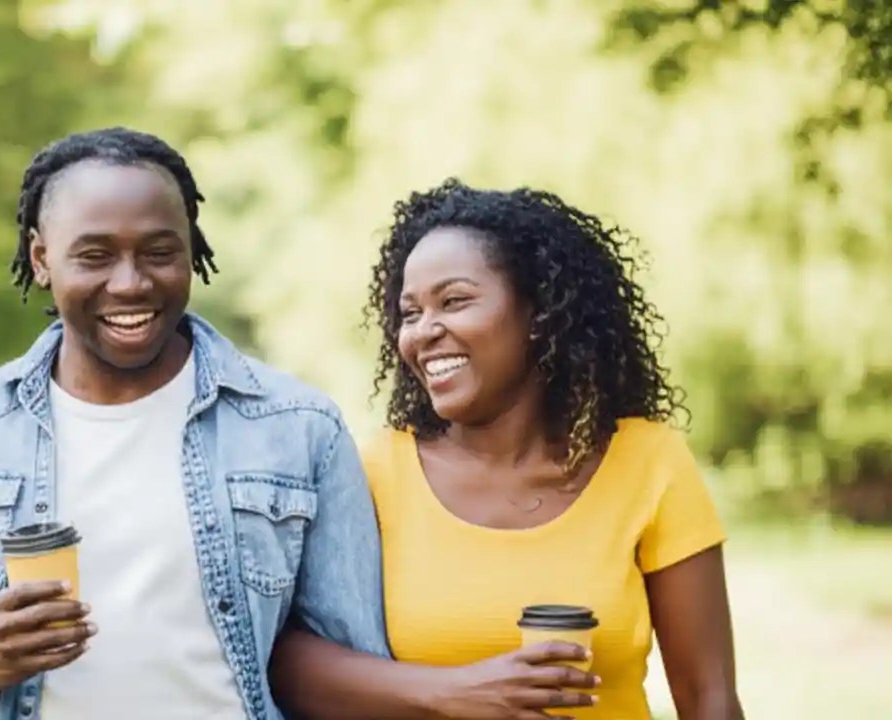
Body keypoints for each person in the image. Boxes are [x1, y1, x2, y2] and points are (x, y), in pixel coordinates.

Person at [0, 127, 387, 720]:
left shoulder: (300, 429)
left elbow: (354, 668)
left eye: (160, 252)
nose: (131, 282)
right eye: (95, 255)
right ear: (41, 260)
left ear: (192, 249)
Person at [270, 179, 743, 719]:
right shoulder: (372, 473)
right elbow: (287, 661)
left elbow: (709, 695)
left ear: (540, 313)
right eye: (409, 313)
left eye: (454, 301)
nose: (424, 331)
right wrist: (451, 693)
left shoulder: (649, 462)